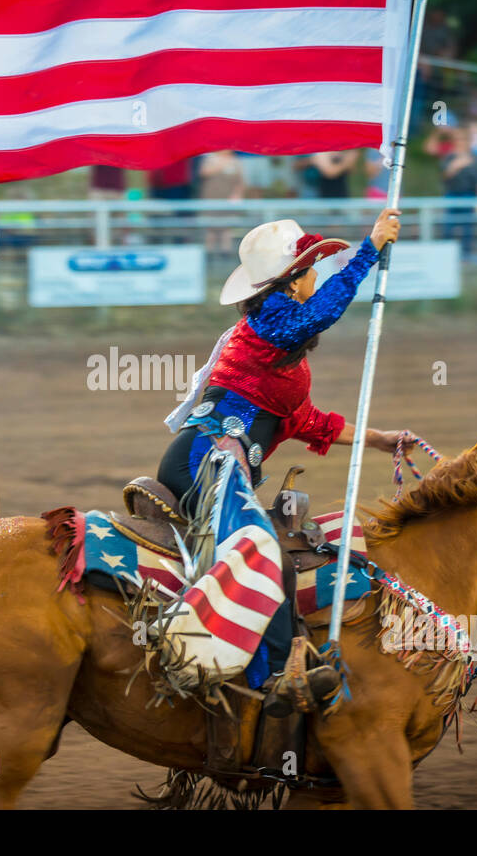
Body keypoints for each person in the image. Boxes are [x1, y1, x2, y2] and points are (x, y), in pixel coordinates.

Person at [158, 209, 405, 711]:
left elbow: (307, 420)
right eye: (312, 267)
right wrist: (369, 251)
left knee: (271, 553)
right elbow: (322, 314)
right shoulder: (270, 318)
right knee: (263, 553)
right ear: (292, 282)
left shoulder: (273, 342)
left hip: (219, 462)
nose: (318, 275)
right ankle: (271, 680)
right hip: (208, 462)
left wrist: (379, 439)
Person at [439, 129, 477, 261]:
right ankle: (446, 255)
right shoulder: (449, 157)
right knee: (448, 226)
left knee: (468, 228)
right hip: (452, 195)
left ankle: (467, 255)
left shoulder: (476, 159)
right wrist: (456, 165)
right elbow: (444, 176)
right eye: (458, 140)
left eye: (463, 140)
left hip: (469, 195)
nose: (461, 143)